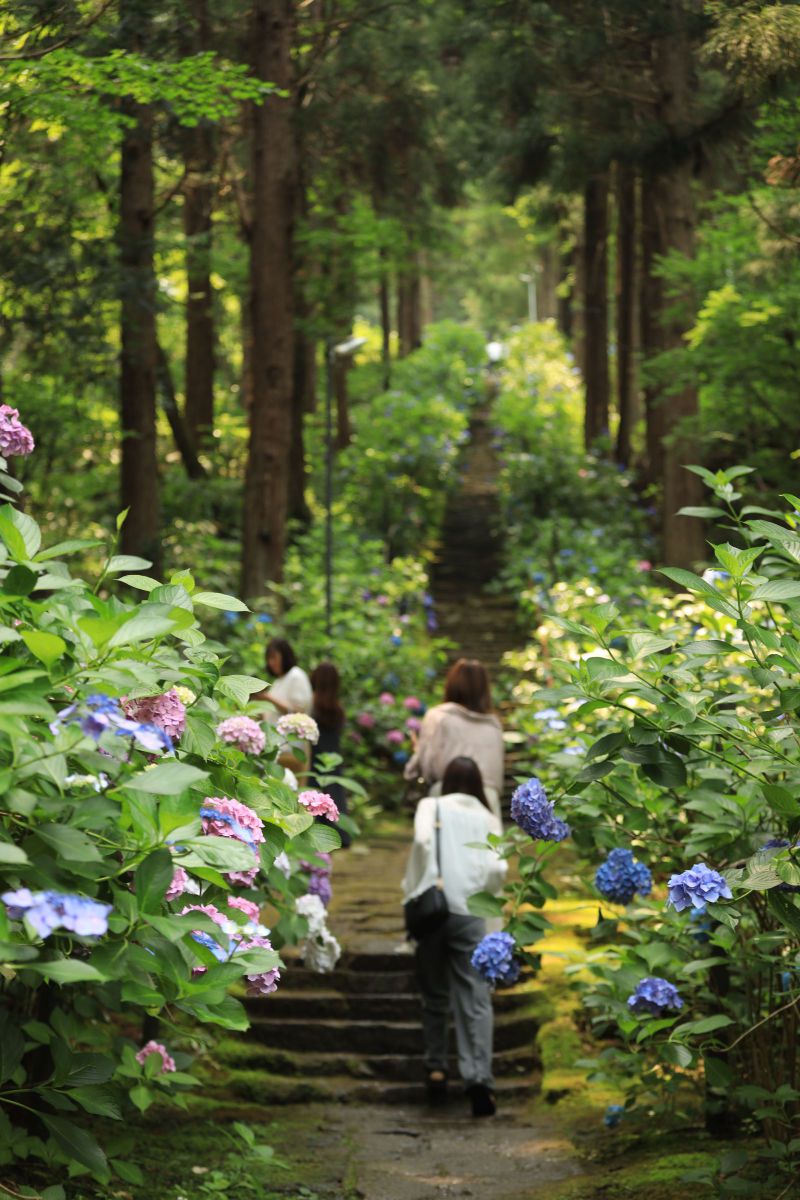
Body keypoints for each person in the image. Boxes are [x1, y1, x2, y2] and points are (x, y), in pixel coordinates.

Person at [402, 756, 506, 1117]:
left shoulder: (431, 805)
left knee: (433, 993)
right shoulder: (488, 817)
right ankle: (478, 1078)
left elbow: (421, 842)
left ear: (445, 781)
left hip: (433, 910)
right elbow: (498, 868)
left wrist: (418, 886)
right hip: (470, 914)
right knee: (474, 998)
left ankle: (435, 1067)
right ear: (479, 784)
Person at [403, 658, 504, 822]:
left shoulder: (438, 717)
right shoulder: (494, 725)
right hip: (487, 801)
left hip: (445, 795)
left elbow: (426, 766)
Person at [309, 661, 351, 849]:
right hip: (333, 758)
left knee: (314, 795)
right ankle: (339, 836)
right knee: (335, 794)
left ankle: (316, 837)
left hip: (315, 757)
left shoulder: (313, 706)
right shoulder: (337, 708)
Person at [260, 637, 312, 717]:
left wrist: (267, 697)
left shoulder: (296, 675)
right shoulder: (278, 681)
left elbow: (299, 712)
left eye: (273, 657)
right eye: (268, 659)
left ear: (284, 656)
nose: (271, 663)